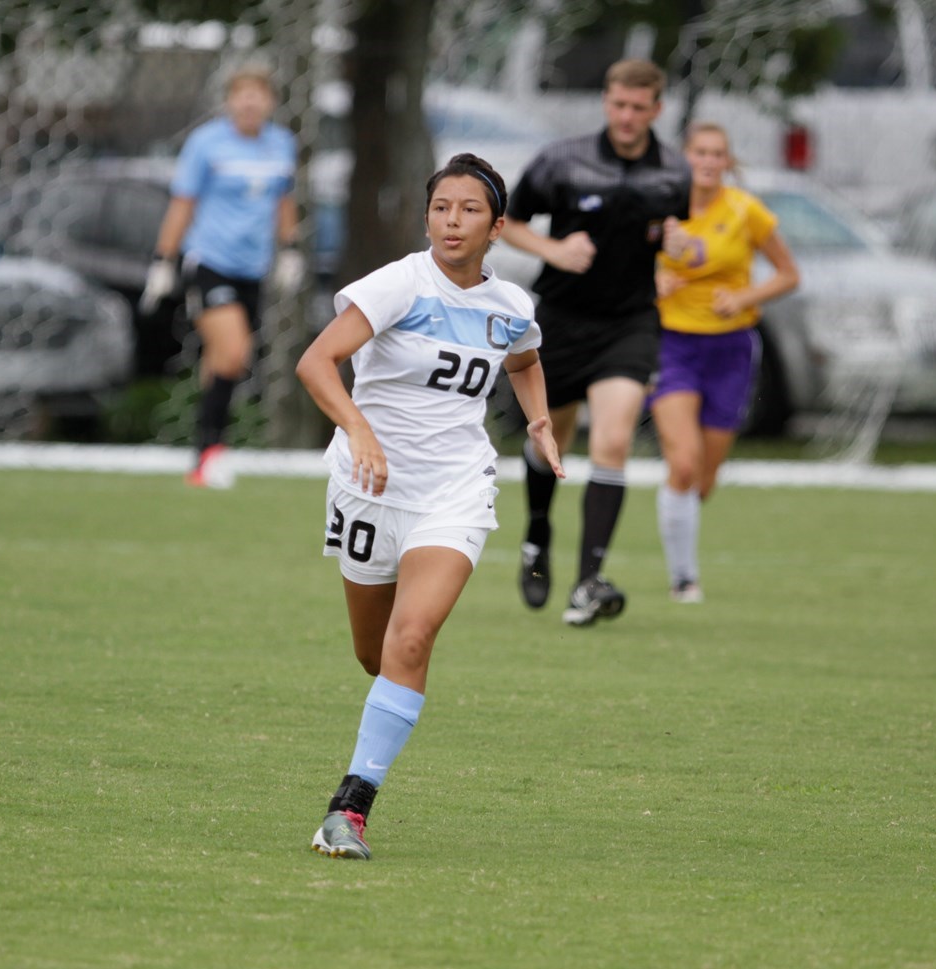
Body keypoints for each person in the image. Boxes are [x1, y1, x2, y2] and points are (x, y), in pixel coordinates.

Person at [295, 153, 564, 860]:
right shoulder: (398, 284)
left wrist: (538, 419)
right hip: (369, 489)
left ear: (497, 227)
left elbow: (525, 359)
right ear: (426, 218)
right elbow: (316, 362)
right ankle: (385, 715)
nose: (452, 221)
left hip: (456, 488)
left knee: (411, 639)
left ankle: (348, 810)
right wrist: (359, 429)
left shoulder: (511, 307)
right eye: (441, 207)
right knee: (375, 654)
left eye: (470, 210)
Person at [501, 58, 691, 626]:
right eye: (618, 105)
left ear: (656, 110)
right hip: (561, 320)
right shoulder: (563, 160)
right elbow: (507, 222)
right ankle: (537, 535)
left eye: (638, 107)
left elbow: (672, 235)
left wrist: (679, 249)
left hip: (629, 324)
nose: (627, 116)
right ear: (606, 102)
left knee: (612, 440)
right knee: (550, 441)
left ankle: (588, 582)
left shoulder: (674, 172)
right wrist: (554, 250)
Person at [652, 123, 799, 603]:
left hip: (731, 349)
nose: (708, 161)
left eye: (717, 153)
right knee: (683, 463)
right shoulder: (660, 208)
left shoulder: (744, 210)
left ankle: (680, 529)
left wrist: (743, 297)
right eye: (700, 152)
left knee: (704, 478)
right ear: (684, 157)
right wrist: (653, 281)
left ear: (728, 162)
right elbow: (622, 267)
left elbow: (788, 274)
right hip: (673, 345)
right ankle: (684, 578)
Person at [140, 66, 300, 489]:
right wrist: (163, 260)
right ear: (229, 101)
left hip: (253, 268)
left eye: (257, 94)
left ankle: (202, 458)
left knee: (220, 360)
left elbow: (284, 199)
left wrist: (290, 249)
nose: (249, 102)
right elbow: (183, 203)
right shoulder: (206, 144)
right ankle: (213, 451)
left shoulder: (281, 144)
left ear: (270, 101)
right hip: (210, 262)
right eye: (241, 94)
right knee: (234, 352)